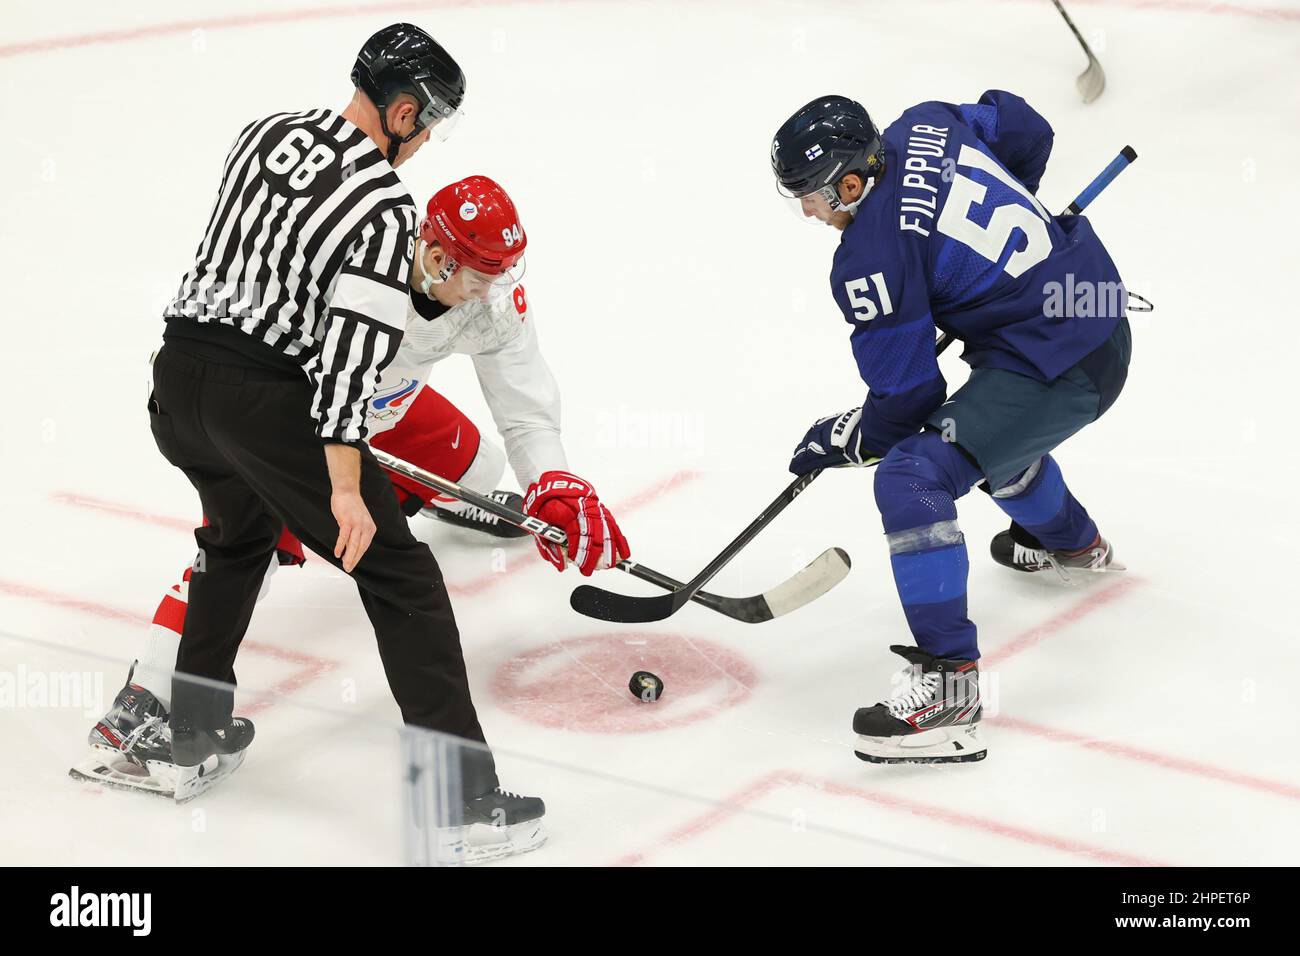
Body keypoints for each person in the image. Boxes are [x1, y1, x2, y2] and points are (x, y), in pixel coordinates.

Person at [72, 23, 552, 862]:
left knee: (237, 540)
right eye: (429, 124)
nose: (428, 140)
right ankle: (461, 802)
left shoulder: (264, 132)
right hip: (267, 403)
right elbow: (350, 352)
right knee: (402, 580)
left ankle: (188, 732)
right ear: (403, 112)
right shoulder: (384, 207)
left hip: (177, 379)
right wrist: (340, 486)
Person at [76, 175, 628, 808]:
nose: (493, 290)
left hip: (383, 412)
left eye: (501, 272)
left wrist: (555, 484)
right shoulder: (363, 270)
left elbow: (526, 412)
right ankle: (146, 701)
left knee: (480, 466)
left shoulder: (490, 300)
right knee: (249, 542)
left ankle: (414, 495)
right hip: (304, 426)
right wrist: (335, 472)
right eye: (480, 274)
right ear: (438, 255)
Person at [771, 91, 1131, 764]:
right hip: (1092, 301)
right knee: (971, 436)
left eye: (814, 195)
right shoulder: (926, 122)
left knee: (914, 476)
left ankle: (950, 695)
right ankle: (1076, 547)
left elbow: (907, 401)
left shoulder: (871, 255)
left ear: (851, 182)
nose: (808, 211)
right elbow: (1028, 124)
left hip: (1060, 360)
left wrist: (851, 435)